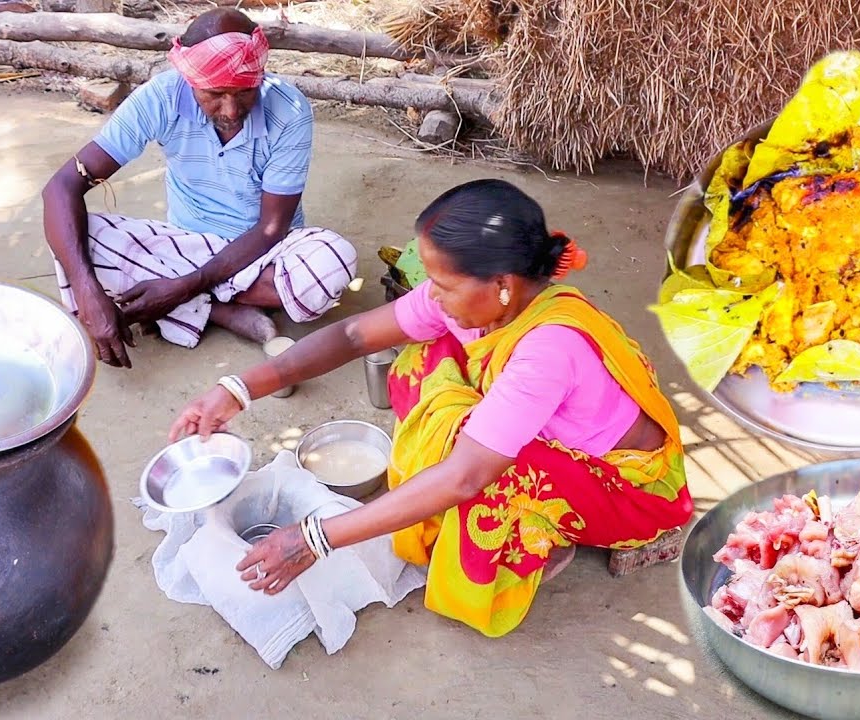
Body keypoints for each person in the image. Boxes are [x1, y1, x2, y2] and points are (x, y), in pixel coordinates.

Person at [169, 179, 693, 637]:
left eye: (442, 285)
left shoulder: (548, 349)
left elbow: (466, 477)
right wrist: (237, 390)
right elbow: (355, 334)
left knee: (494, 477)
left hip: (624, 490)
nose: (431, 295)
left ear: (503, 286)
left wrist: (313, 538)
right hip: (544, 430)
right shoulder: (481, 301)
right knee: (425, 356)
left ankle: (547, 538)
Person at [42, 8, 357, 368]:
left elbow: (272, 228)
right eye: (215, 94)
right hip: (184, 244)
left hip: (263, 251)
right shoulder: (159, 98)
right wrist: (86, 291)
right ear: (189, 79)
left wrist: (185, 286)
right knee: (77, 233)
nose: (231, 109)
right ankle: (223, 310)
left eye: (244, 92)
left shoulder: (289, 110)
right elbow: (60, 187)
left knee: (333, 262)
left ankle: (197, 308)